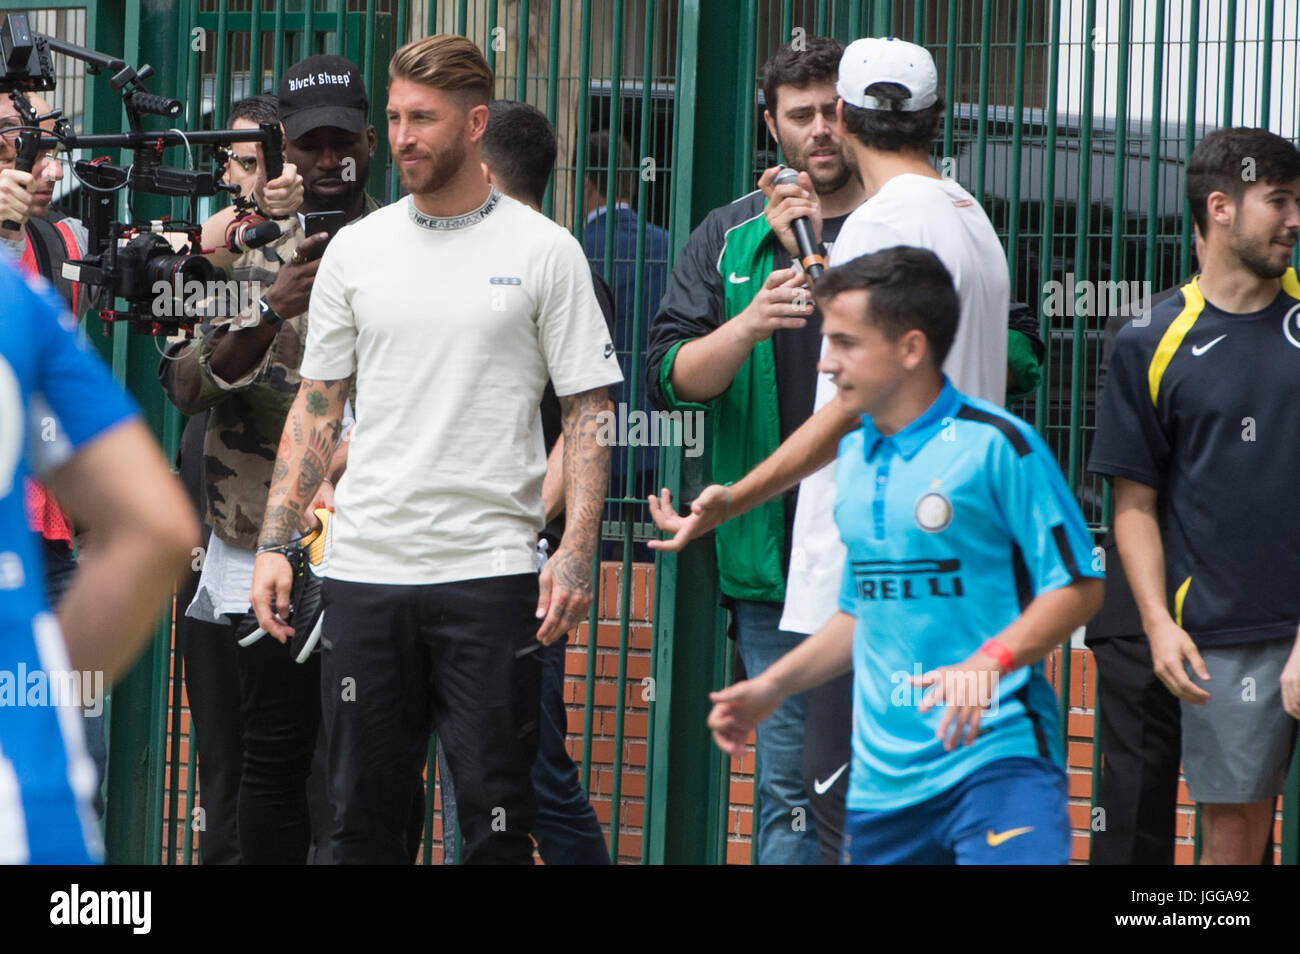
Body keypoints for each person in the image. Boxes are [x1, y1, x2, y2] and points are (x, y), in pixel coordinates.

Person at [249, 35, 621, 865]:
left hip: (490, 579)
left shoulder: (545, 251)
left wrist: (577, 554)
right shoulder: (357, 249)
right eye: (395, 118)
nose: (404, 136)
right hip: (365, 574)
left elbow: (591, 410)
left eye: (424, 118)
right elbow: (317, 406)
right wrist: (277, 540)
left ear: (476, 123)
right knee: (358, 829)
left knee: (494, 828)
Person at [645, 36, 1014, 863]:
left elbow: (850, 408)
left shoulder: (882, 225)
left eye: (826, 110)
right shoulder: (967, 214)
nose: (816, 128)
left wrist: (736, 494)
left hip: (882, 575)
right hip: (940, 572)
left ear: (847, 117)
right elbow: (669, 371)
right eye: (796, 113)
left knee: (847, 819)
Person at [707, 246, 1103, 864]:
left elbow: (1079, 585)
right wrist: (773, 685)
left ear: (911, 349)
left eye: (844, 342)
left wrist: (989, 662)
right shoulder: (857, 459)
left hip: (996, 762)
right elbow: (862, 610)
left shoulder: (999, 447)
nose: (825, 362)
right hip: (884, 785)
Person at [162, 54, 378, 865]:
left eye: (341, 143)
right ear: (284, 145)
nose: (328, 161)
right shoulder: (243, 251)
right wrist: (262, 310)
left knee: (359, 780)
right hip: (254, 554)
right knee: (248, 776)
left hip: (376, 556)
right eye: (309, 144)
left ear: (368, 142)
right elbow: (183, 383)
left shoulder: (406, 240)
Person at [1088, 126, 1300, 865]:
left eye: (1298, 201)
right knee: (1236, 839)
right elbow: (1134, 504)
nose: (1295, 220)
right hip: (1226, 635)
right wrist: (1157, 624)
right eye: (1278, 202)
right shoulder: (1147, 338)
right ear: (1219, 207)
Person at [424, 98, 612, 865]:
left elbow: (587, 419)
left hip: (512, 566)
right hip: (443, 558)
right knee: (474, 775)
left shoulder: (553, 263)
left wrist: (526, 521)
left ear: (487, 169)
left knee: (533, 776)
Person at [0, 255, 198, 863]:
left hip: (55, 554)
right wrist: (43, 693)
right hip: (25, 804)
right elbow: (158, 528)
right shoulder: (14, 299)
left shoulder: (42, 260)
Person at [582, 130, 669, 559]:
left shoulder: (573, 252)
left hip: (590, 439)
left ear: (587, 185)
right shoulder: (669, 247)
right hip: (655, 435)